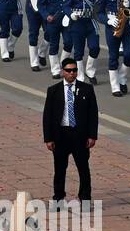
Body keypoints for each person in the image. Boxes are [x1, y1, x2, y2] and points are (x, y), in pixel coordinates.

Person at [42, 57, 98, 206]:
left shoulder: (86, 89)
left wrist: (92, 136)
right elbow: (47, 116)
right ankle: (58, 199)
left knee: (83, 169)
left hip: (79, 136)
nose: (72, 73)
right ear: (62, 72)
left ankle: (85, 200)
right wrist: (48, 138)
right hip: (60, 136)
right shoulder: (53, 91)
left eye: (74, 70)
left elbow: (93, 114)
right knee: (59, 170)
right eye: (68, 70)